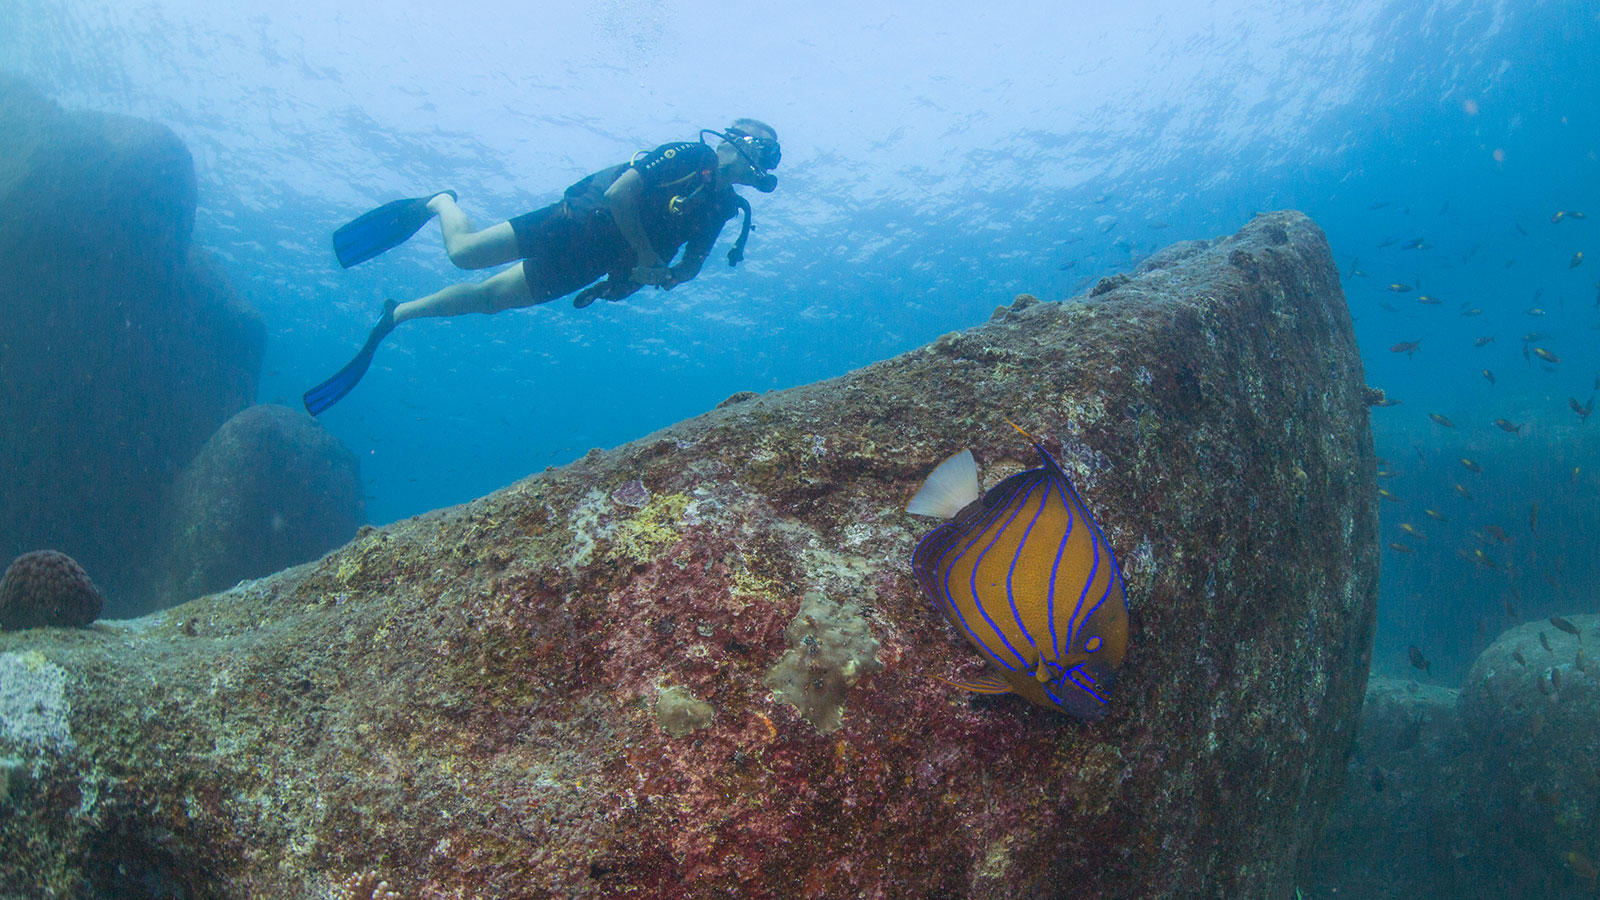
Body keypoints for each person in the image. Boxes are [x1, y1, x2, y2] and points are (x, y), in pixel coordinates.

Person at [303, 119, 781, 415]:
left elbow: (691, 265)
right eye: (766, 152)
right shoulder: (693, 154)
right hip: (571, 224)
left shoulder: (724, 207)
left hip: (594, 262)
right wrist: (645, 257)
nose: (766, 166)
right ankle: (440, 202)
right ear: (742, 143)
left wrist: (663, 277)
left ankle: (397, 314)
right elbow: (619, 194)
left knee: (489, 302)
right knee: (463, 254)